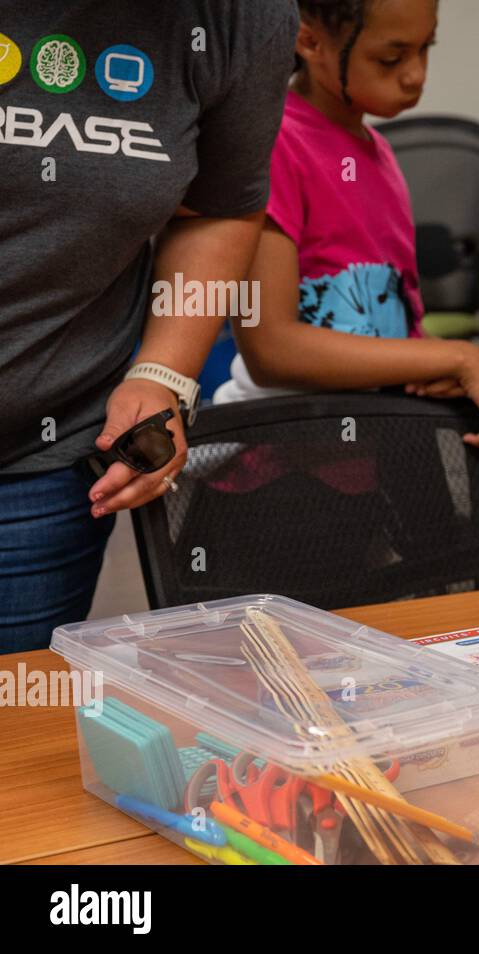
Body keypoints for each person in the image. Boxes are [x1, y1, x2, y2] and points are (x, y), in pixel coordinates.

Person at [0, 0, 299, 652]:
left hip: (39, 458)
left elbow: (217, 208)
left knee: (14, 733)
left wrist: (163, 372)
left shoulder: (240, 16)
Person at [216, 0, 479, 455]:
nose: (416, 75)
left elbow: (386, 324)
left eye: (426, 49)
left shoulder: (382, 155)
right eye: (391, 57)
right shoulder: (271, 142)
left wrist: (430, 366)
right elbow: (270, 349)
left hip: (369, 447)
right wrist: (460, 357)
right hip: (281, 454)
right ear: (309, 41)